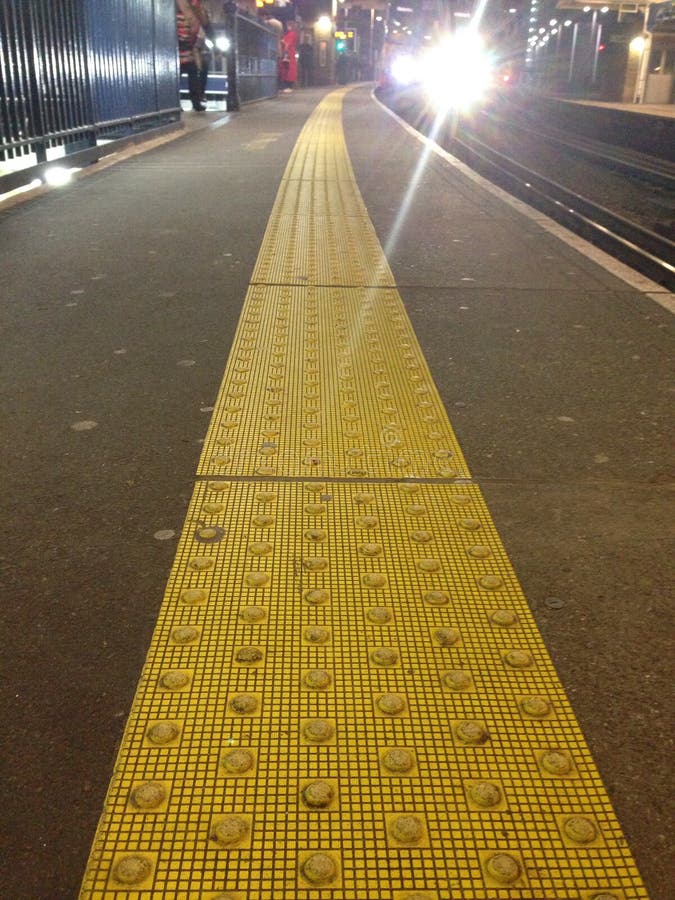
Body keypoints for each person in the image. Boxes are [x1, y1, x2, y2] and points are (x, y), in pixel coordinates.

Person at [176, 0, 212, 111]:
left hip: (188, 49)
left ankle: (196, 101)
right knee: (192, 74)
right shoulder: (190, 12)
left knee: (195, 72)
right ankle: (195, 101)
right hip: (182, 49)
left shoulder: (193, 11)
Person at [279, 21, 298, 91]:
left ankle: (288, 86)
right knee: (289, 69)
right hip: (290, 53)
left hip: (288, 53)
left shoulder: (291, 34)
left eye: (288, 26)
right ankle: (288, 86)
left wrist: (283, 43)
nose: (287, 27)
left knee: (287, 69)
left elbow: (288, 43)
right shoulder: (293, 34)